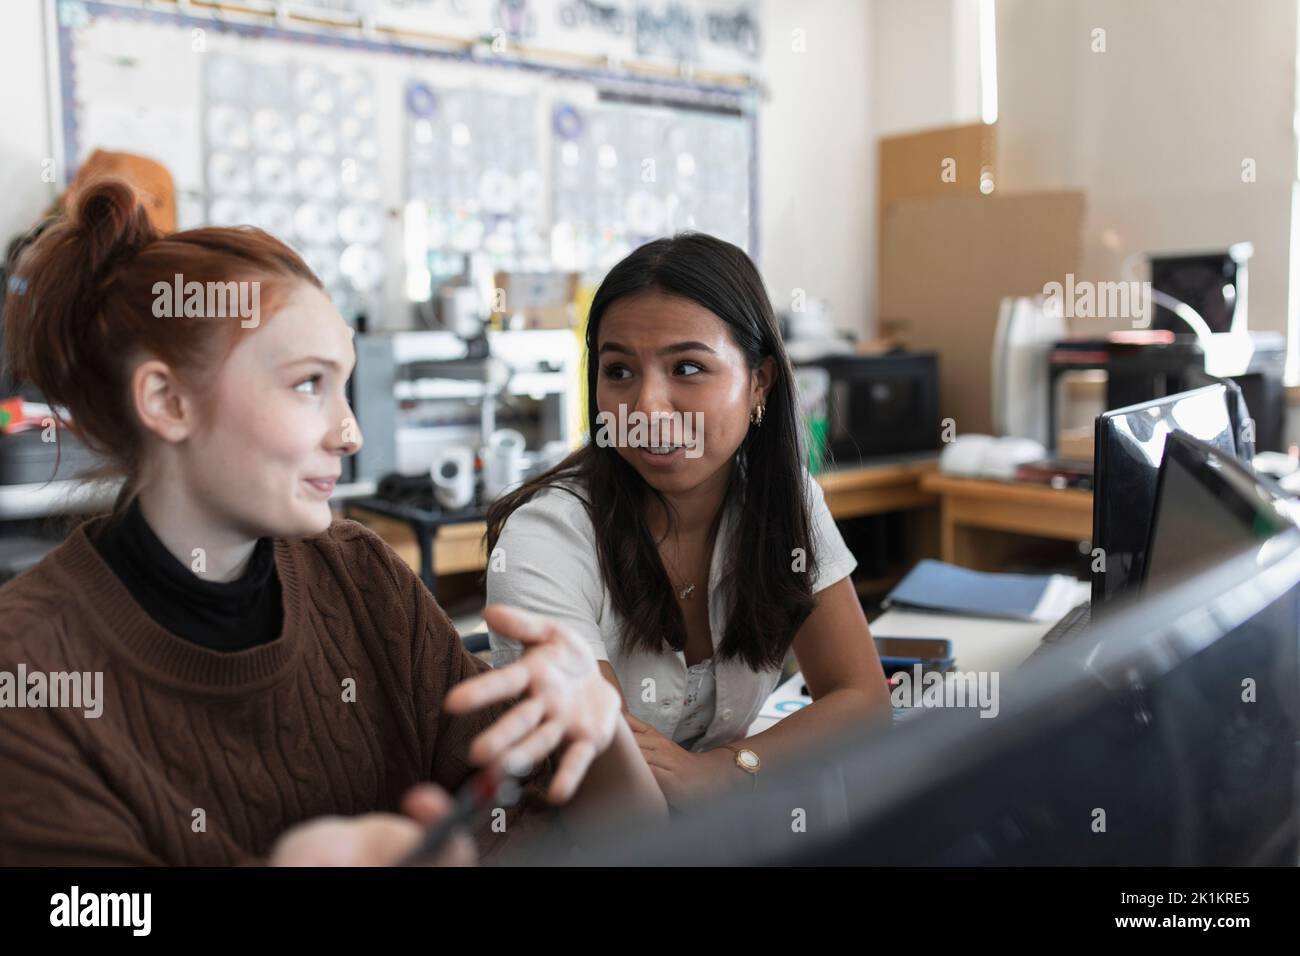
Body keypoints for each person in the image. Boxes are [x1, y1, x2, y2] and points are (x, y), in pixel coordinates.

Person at [0, 178, 664, 866]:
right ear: (168, 402)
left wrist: (601, 729)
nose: (350, 434)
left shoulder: (361, 578)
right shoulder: (29, 668)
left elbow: (613, 839)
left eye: (344, 384)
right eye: (308, 383)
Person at [486, 233, 891, 810]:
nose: (647, 406)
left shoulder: (785, 500)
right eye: (619, 371)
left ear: (760, 382)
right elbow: (620, 803)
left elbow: (861, 699)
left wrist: (730, 768)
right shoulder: (544, 540)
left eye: (688, 367)